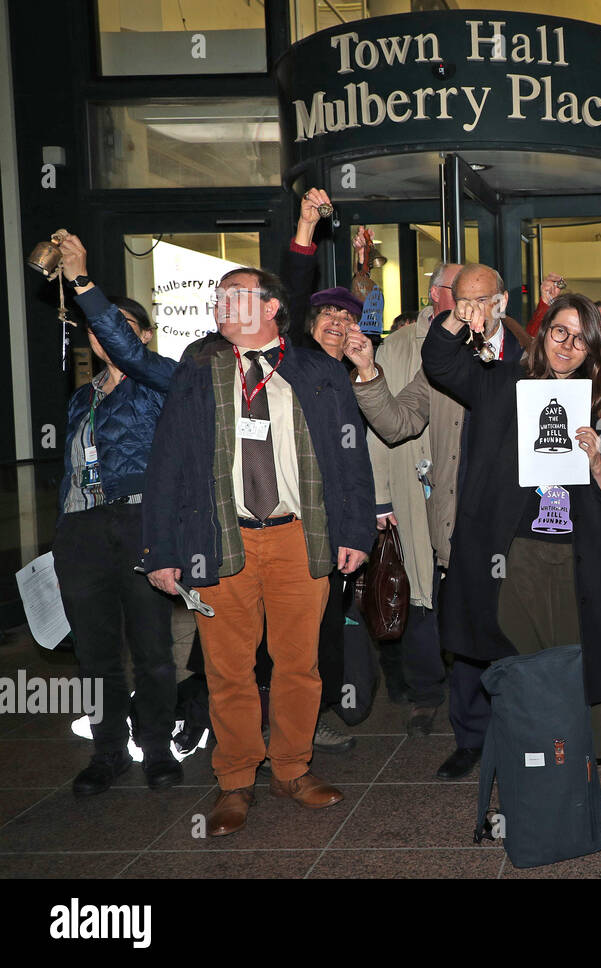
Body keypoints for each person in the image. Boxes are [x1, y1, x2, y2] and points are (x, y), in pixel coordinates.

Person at [143, 266, 374, 837]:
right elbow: (166, 463)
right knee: (227, 669)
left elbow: (350, 459)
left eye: (236, 296)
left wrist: (355, 534)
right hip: (221, 536)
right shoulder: (200, 369)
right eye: (218, 296)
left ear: (271, 308)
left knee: (300, 664)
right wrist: (161, 551)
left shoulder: (317, 369)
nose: (221, 303)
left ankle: (293, 769)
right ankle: (235, 781)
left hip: (300, 535)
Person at [421, 291, 601, 766]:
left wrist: (600, 462)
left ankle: (577, 786)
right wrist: (456, 318)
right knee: (521, 673)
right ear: (544, 332)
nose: (567, 345)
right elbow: (440, 362)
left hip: (575, 561)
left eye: (581, 339)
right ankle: (529, 782)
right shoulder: (501, 383)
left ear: (592, 349)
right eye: (560, 331)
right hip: (512, 557)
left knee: (577, 672)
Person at [347, 262, 526, 778]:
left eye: (481, 300)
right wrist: (367, 372)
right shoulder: (441, 363)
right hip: (458, 520)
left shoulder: (533, 358)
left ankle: (522, 734)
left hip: (517, 524)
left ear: (502, 302)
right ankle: (471, 739)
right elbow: (396, 423)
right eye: (461, 302)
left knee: (518, 634)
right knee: (466, 639)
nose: (471, 311)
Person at [51, 234, 182, 796]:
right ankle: (108, 753)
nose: (104, 337)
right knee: (95, 652)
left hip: (137, 523)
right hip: (82, 531)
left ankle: (155, 748)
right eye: (98, 329)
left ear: (144, 337)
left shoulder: (161, 383)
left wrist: (82, 280)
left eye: (123, 327)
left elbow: (125, 349)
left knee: (152, 647)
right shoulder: (82, 398)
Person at [352, 263, 463, 733]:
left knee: (465, 590)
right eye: (464, 293)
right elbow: (383, 431)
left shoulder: (485, 346)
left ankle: (473, 689)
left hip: (462, 491)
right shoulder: (396, 349)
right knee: (420, 592)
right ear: (439, 295)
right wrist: (381, 498)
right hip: (410, 492)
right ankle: (425, 691)